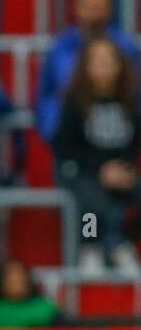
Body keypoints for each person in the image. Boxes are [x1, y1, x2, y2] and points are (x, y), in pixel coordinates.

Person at [54, 36, 141, 273]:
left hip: (119, 170)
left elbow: (132, 145)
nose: (104, 67)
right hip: (81, 170)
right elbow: (64, 146)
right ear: (86, 66)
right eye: (97, 61)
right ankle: (91, 246)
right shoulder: (74, 102)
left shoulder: (130, 102)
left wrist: (124, 168)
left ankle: (122, 242)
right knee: (93, 203)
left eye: (109, 61)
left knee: (130, 193)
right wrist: (100, 169)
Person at [36, 0, 140, 142]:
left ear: (110, 9)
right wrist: (52, 128)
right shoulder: (60, 48)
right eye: (89, 5)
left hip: (117, 138)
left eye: (100, 5)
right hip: (68, 136)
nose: (95, 13)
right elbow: (46, 94)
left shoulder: (126, 48)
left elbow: (135, 94)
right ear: (76, 8)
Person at [0, 259, 60, 328]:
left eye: (20, 279)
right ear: (0, 283)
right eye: (11, 281)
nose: (17, 284)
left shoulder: (43, 307)